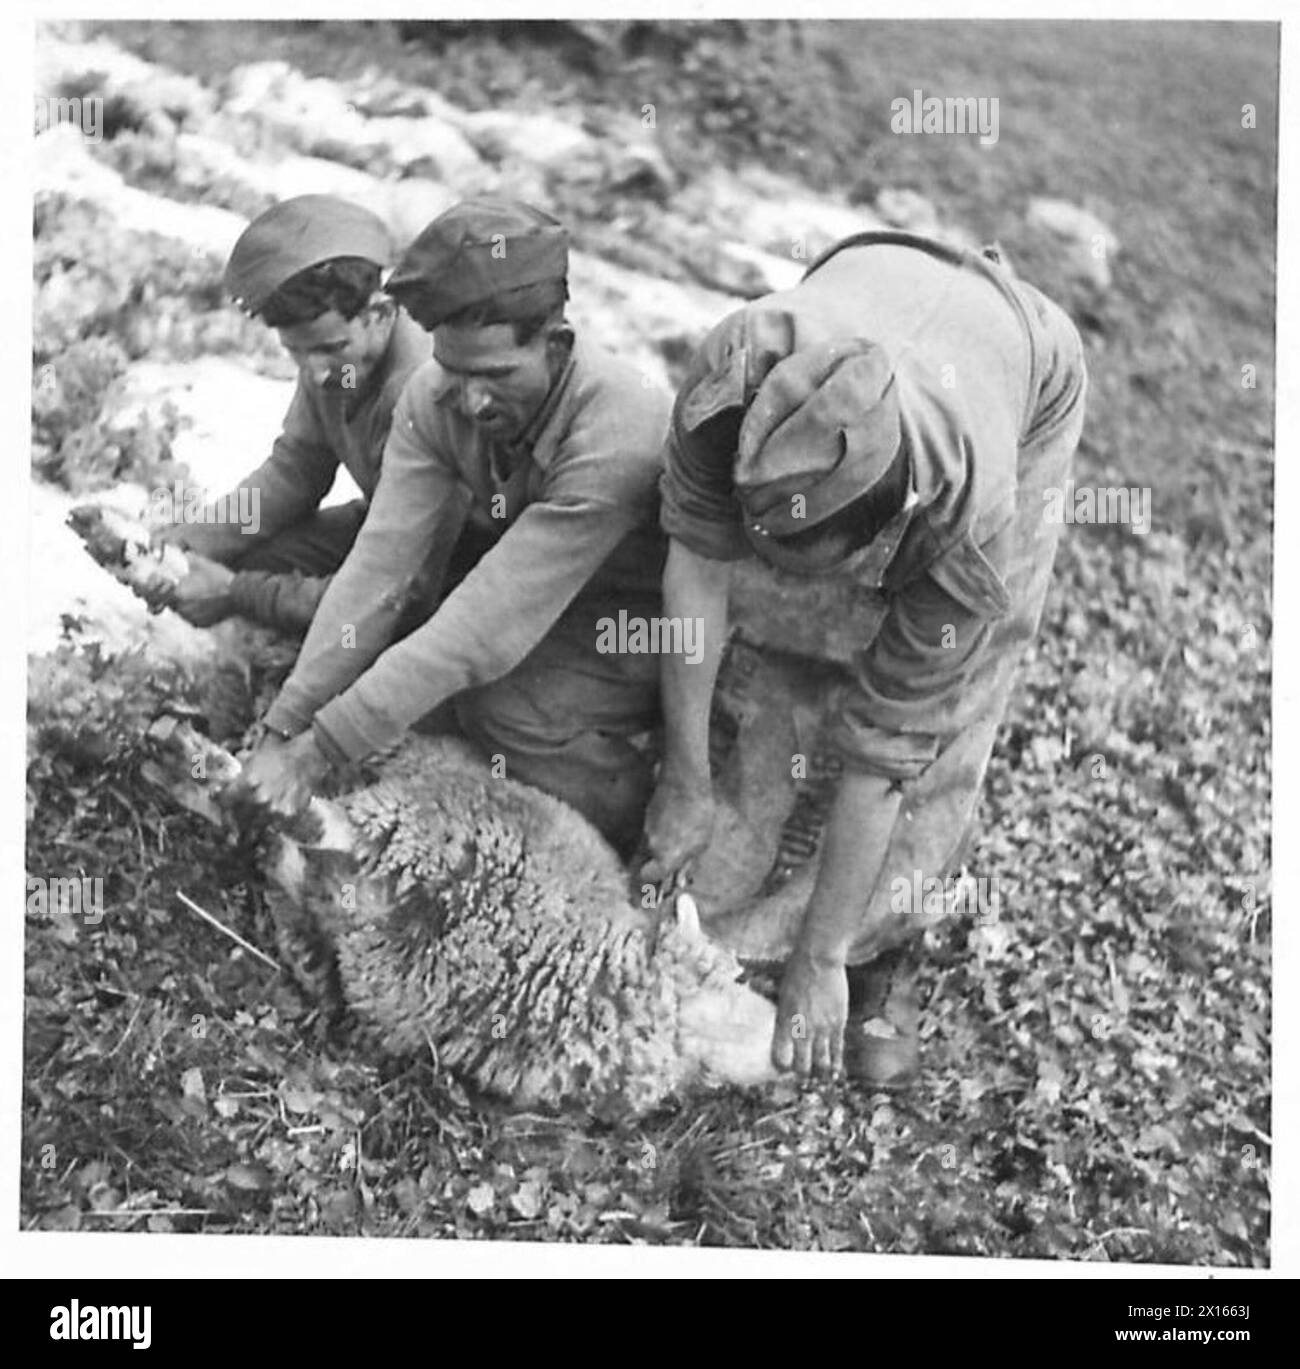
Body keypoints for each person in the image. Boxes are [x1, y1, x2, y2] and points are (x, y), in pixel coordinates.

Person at [641, 229, 1088, 1087]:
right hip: (874, 280)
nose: (769, 561)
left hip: (1023, 373)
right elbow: (695, 568)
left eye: (813, 555)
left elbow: (888, 750)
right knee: (771, 638)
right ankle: (746, 824)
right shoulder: (728, 374)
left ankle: (888, 942)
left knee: (951, 713)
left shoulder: (970, 522)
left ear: (891, 529)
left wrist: (820, 956)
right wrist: (684, 778)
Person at [235, 199, 672, 853]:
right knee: (417, 694)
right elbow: (381, 570)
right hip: (541, 587)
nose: (470, 400)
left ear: (554, 346)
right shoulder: (432, 396)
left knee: (505, 708)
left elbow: (480, 634)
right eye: (456, 373)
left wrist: (313, 754)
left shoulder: (617, 431)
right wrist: (282, 727)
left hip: (653, 617)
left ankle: (628, 832)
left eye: (494, 376)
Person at [160, 194, 430, 633]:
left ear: (379, 313)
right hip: (386, 527)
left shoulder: (425, 388)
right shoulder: (333, 364)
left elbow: (399, 583)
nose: (316, 372)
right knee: (253, 558)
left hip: (457, 562)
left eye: (329, 349)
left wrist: (240, 593)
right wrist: (194, 541)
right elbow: (296, 469)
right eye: (296, 352)